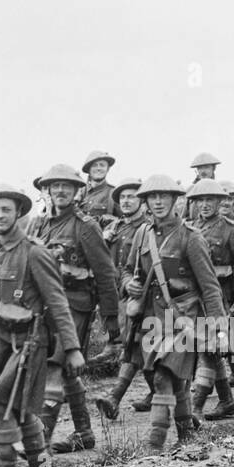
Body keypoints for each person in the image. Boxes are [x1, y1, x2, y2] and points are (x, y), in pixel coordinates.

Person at [0, 184, 85, 467]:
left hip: (29, 340)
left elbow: (58, 302)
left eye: (6, 209)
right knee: (18, 413)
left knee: (2, 408)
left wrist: (71, 348)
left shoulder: (34, 252)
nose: (0, 215)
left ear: (18, 213)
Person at [122, 175, 228, 450]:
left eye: (163, 196)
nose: (158, 202)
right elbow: (126, 270)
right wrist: (129, 284)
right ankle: (187, 437)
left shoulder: (190, 237)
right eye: (152, 197)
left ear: (174, 200)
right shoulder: (142, 234)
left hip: (183, 318)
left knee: (162, 376)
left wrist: (218, 329)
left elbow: (210, 286)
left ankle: (154, 445)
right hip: (150, 319)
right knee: (173, 381)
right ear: (145, 201)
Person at [31, 164, 120, 452]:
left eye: (66, 186)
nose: (59, 191)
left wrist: (110, 320)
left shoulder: (85, 226)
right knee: (68, 370)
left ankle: (38, 450)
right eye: (54, 186)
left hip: (75, 308)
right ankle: (84, 433)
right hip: (45, 309)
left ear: (76, 190)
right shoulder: (38, 225)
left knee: (54, 370)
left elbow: (106, 274)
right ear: (46, 191)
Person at [186, 178, 234, 420]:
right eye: (200, 200)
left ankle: (196, 406)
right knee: (209, 350)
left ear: (219, 201)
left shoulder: (232, 230)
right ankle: (226, 401)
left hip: (222, 299)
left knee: (209, 349)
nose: (204, 205)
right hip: (195, 300)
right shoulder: (190, 228)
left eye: (209, 200)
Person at [95, 179, 151, 419]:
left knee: (135, 346)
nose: (127, 201)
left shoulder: (147, 229)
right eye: (123, 197)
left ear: (142, 201)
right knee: (136, 346)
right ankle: (156, 393)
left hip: (143, 296)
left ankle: (115, 396)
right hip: (119, 293)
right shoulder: (116, 227)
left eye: (132, 196)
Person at [80, 151, 117, 220]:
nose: (98, 168)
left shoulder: (113, 194)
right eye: (94, 165)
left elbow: (124, 222)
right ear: (89, 169)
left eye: (102, 165)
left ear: (107, 169)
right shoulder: (79, 192)